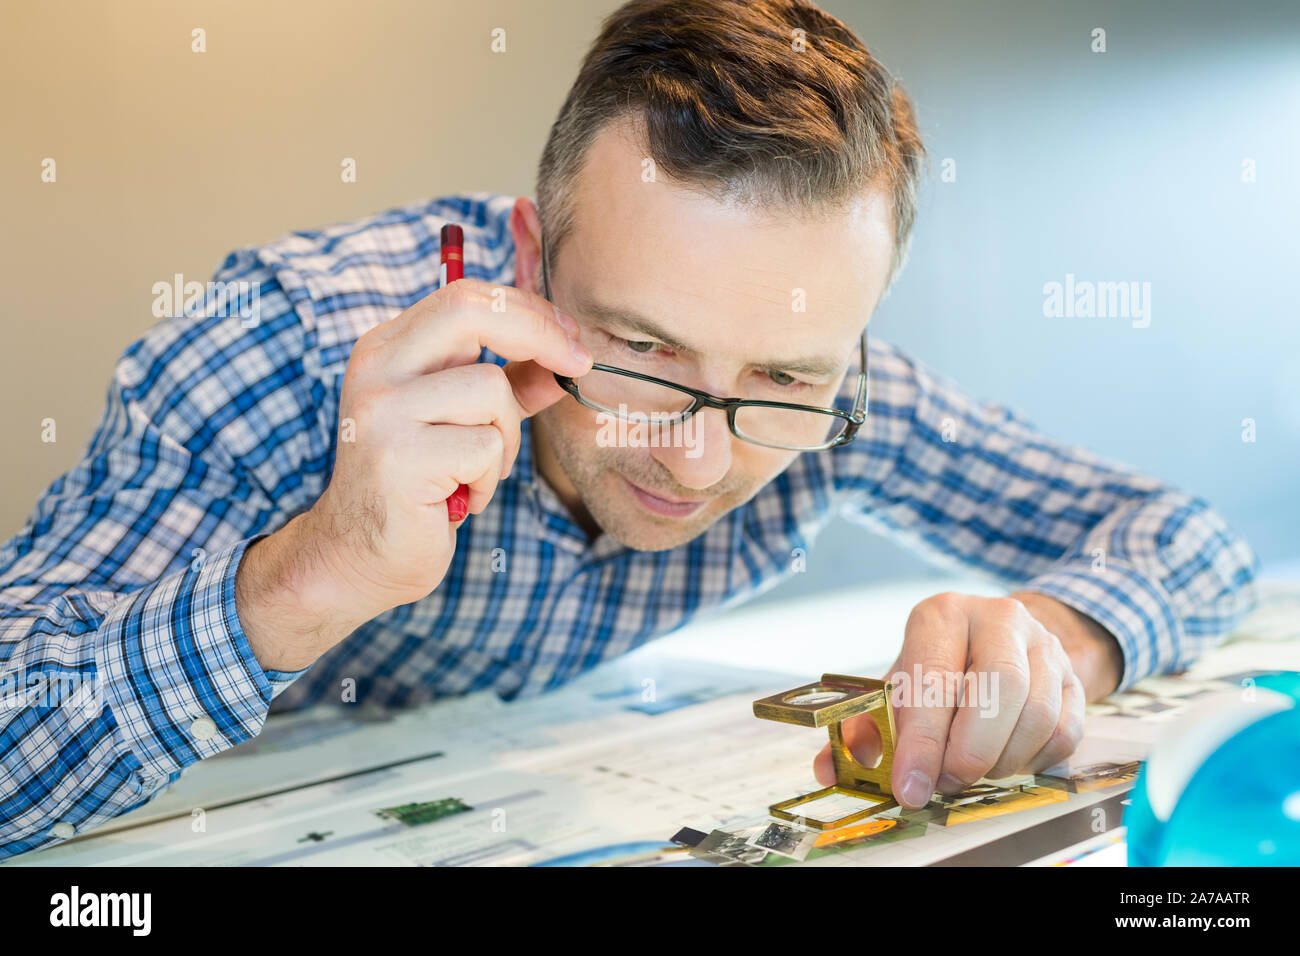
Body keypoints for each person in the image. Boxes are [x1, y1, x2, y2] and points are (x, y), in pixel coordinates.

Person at [0, 0, 1257, 859]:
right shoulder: (280, 347)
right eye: (643, 350)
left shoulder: (819, 392)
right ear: (531, 255)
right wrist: (307, 575)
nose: (700, 457)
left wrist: (1059, 637)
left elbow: (1182, 534)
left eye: (779, 374)